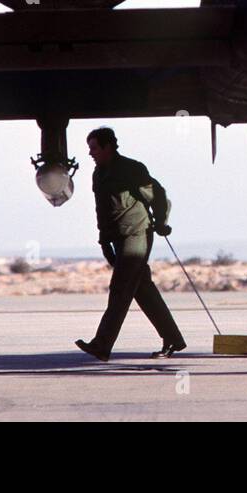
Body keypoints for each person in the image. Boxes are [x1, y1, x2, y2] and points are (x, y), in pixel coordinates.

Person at [75, 127, 186, 361]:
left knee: (120, 289)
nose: (91, 153)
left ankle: (102, 344)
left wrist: (161, 222)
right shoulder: (99, 174)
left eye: (94, 148)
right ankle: (173, 339)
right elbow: (102, 211)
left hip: (137, 235)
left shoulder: (131, 169)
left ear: (108, 147)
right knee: (142, 289)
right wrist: (104, 241)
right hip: (116, 238)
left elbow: (159, 195)